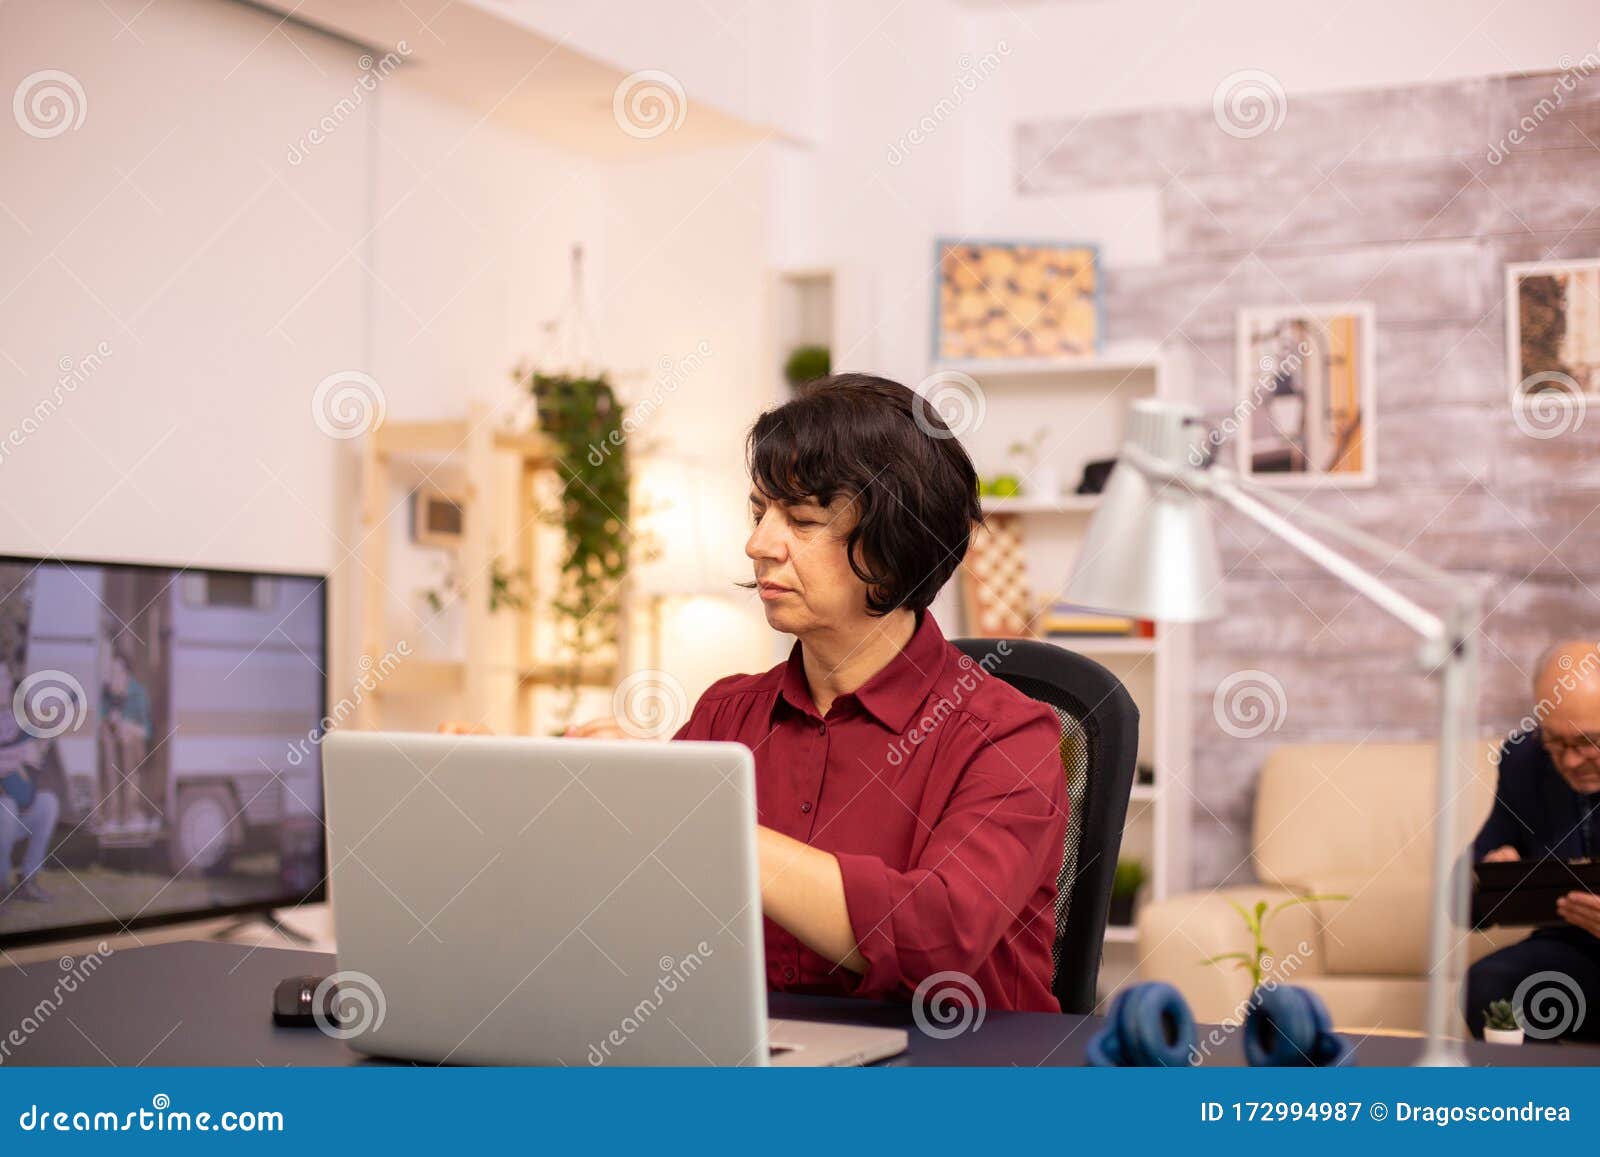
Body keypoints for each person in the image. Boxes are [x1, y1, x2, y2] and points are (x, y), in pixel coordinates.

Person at [563, 374, 1069, 1012]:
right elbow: (644, 922)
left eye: (801, 519)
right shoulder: (727, 713)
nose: (758, 545)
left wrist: (701, 823)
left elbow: (939, 940)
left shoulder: (1009, 736)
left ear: (896, 544)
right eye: (758, 513)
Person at [1464, 639, 1600, 1040]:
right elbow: (1463, 904)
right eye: (1556, 742)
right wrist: (1491, 880)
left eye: (1589, 742)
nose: (1571, 761)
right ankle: (1544, 1100)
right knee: (1489, 987)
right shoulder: (1525, 760)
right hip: (1573, 953)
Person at [0, 664, 61, 904]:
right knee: (7, 807)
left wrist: (40, 746)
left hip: (13, 815)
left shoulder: (14, 718)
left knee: (48, 803)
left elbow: (32, 754)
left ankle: (28, 880)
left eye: (6, 677)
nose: (5, 683)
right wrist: (20, 754)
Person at [99, 648, 154, 832]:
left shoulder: (138, 693)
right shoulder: (107, 694)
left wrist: (127, 727)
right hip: (115, 744)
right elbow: (101, 721)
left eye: (116, 673)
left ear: (126, 674)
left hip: (134, 744)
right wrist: (110, 721)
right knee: (107, 740)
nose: (112, 677)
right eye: (111, 673)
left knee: (127, 741)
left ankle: (130, 812)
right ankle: (112, 814)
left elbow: (146, 731)